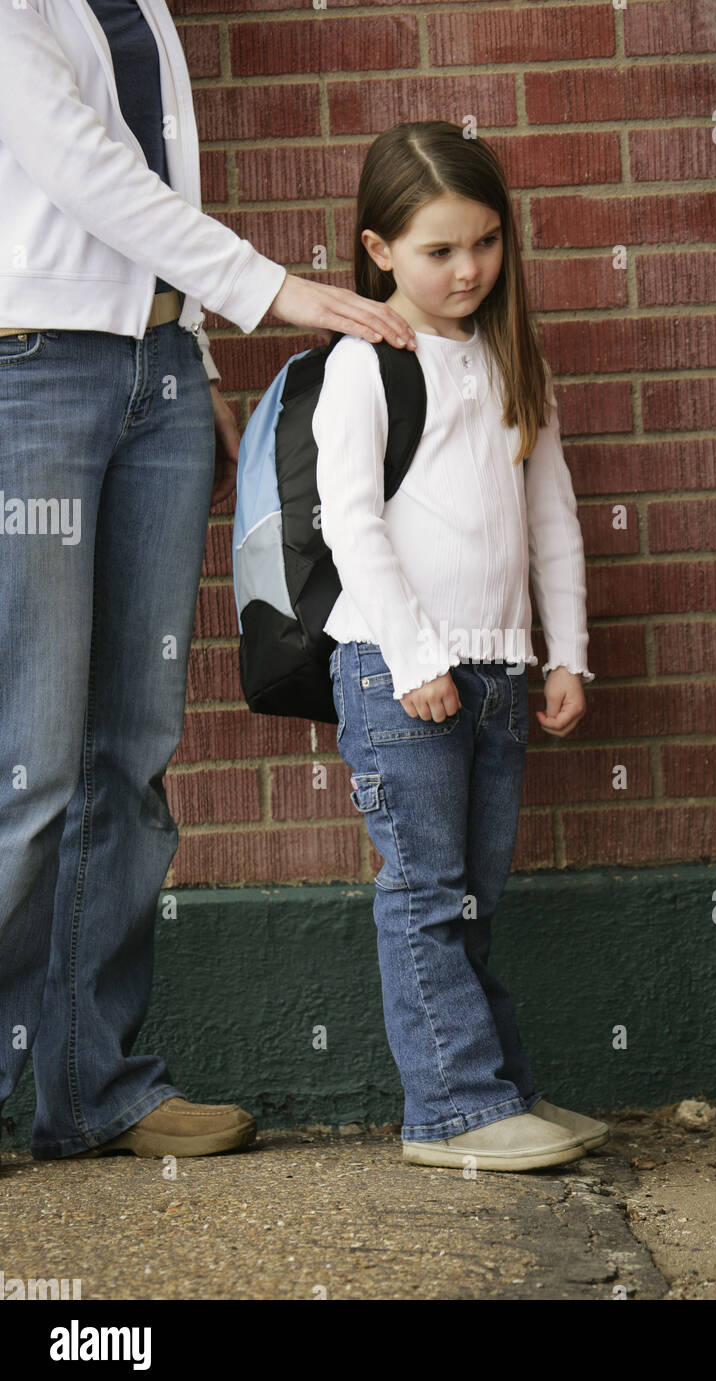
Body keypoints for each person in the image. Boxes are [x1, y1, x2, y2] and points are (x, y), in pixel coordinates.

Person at [0, 0, 416, 1163]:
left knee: (128, 753)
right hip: (27, 373)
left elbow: (138, 187)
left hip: (160, 381)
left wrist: (181, 347)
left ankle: (95, 1086)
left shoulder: (139, 6)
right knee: (26, 764)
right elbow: (76, 162)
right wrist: (267, 288)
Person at [314, 121, 607, 1171]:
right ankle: (450, 1112)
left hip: (493, 670)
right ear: (379, 249)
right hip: (402, 673)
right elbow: (351, 524)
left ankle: (503, 1091)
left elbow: (553, 517)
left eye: (485, 242)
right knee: (426, 895)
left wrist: (562, 653)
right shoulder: (365, 364)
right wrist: (415, 656)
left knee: (473, 898)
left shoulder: (508, 354)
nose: (470, 268)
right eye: (439, 250)